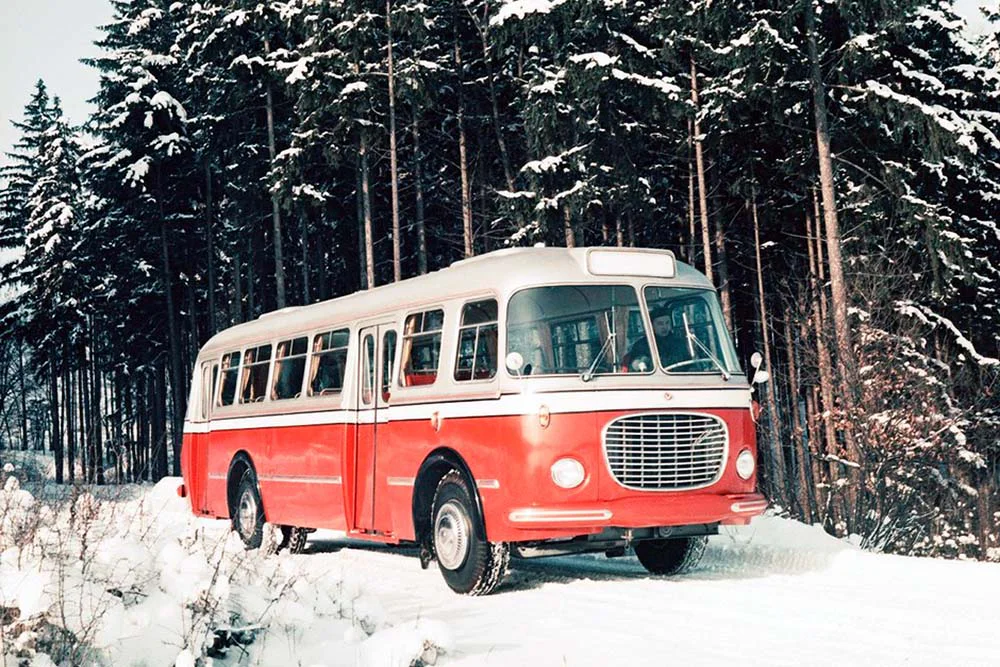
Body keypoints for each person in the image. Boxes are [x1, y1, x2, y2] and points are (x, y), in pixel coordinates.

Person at [626, 306, 689, 371]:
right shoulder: (642, 346)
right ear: (651, 325)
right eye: (660, 324)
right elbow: (637, 366)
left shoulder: (678, 343)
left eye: (667, 323)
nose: (665, 327)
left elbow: (688, 364)